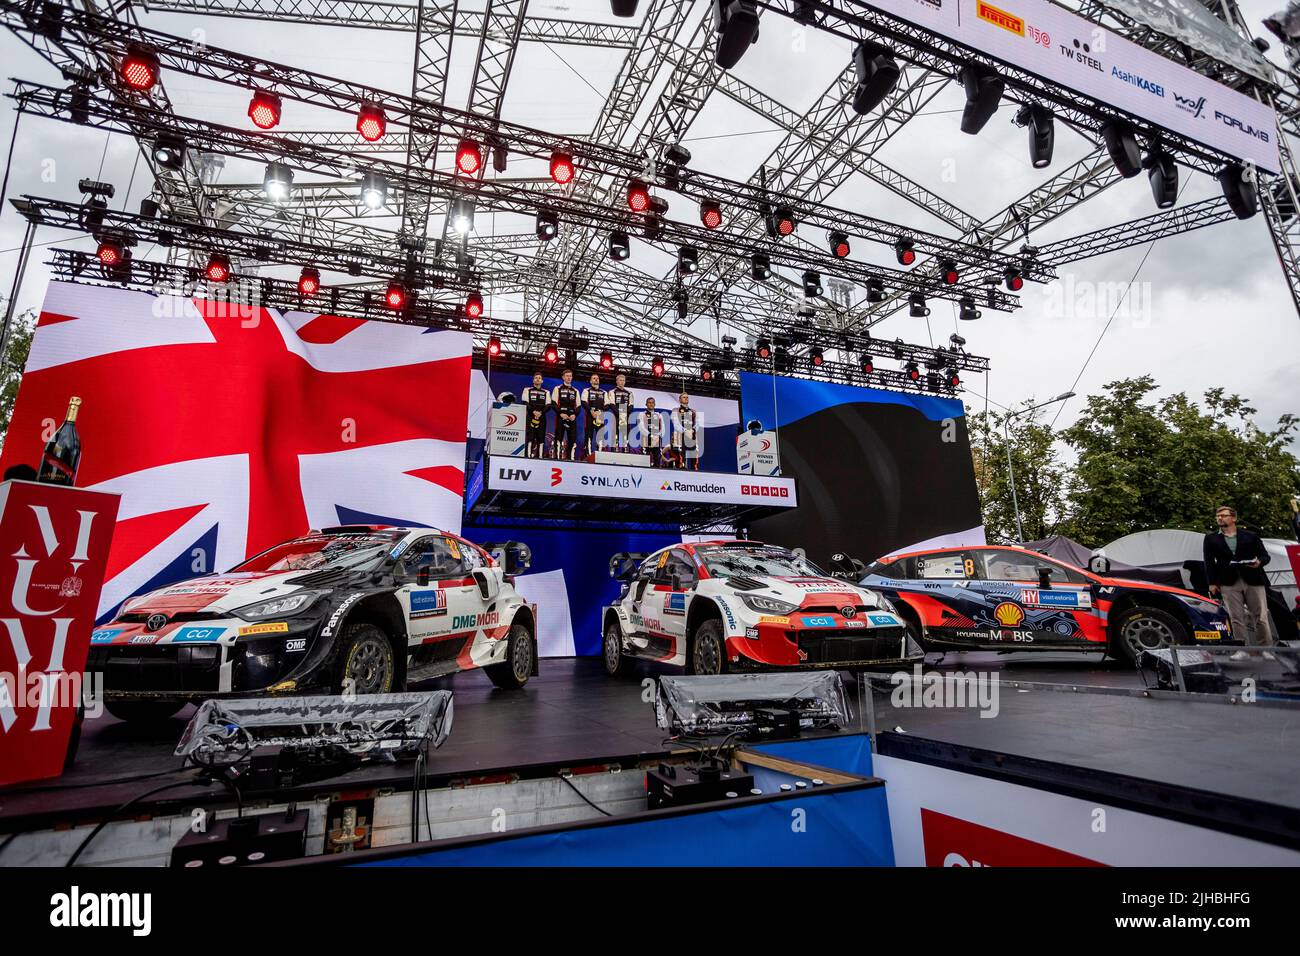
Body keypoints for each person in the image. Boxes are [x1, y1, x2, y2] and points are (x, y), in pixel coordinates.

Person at [1204, 506, 1275, 653]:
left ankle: (1267, 649)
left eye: (1223, 515)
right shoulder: (1210, 538)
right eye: (1218, 516)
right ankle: (1241, 651)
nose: (1220, 518)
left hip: (1253, 579)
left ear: (1234, 518)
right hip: (1228, 582)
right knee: (1236, 618)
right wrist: (1212, 582)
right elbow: (1209, 562)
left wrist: (1259, 562)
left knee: (1261, 617)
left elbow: (1265, 556)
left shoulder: (1251, 535)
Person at [551, 369, 580, 461]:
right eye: (567, 376)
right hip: (561, 416)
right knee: (559, 437)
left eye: (570, 376)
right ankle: (558, 458)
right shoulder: (557, 388)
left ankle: (571, 458)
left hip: (572, 417)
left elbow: (578, 405)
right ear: (563, 377)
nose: (569, 377)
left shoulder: (575, 391)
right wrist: (560, 413)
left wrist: (575, 415)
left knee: (572, 438)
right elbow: (554, 403)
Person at [670, 392, 700, 471]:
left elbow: (697, 423)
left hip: (691, 434)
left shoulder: (693, 411)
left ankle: (695, 469)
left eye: (687, 397)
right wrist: (685, 430)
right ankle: (682, 467)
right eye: (684, 397)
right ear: (680, 399)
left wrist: (692, 430)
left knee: (694, 452)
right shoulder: (675, 410)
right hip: (680, 434)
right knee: (681, 453)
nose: (686, 398)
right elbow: (676, 423)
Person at [523, 372, 550, 459]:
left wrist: (540, 413)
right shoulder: (527, 390)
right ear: (533, 380)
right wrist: (534, 412)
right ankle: (527, 456)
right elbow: (525, 402)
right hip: (530, 416)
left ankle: (540, 457)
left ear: (542, 381)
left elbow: (548, 405)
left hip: (542, 417)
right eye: (536, 378)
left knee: (541, 437)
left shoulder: (546, 392)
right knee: (530, 436)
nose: (537, 379)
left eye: (539, 378)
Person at [581, 373, 607, 458]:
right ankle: (588, 454)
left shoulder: (604, 392)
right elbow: (583, 402)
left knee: (600, 435)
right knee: (588, 435)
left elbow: (608, 404)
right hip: (589, 415)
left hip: (600, 416)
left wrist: (600, 412)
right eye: (594, 378)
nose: (596, 379)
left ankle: (600, 454)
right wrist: (591, 411)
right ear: (590, 381)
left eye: (597, 378)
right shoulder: (586, 390)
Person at [610, 373, 634, 452]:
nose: (622, 382)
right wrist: (619, 414)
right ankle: (615, 449)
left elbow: (631, 405)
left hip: (626, 416)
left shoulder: (629, 393)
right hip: (616, 415)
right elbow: (612, 404)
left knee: (626, 433)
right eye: (620, 380)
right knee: (615, 433)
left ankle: (625, 449)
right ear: (616, 381)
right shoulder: (612, 392)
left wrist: (625, 414)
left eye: (623, 380)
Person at [640, 397, 664, 466]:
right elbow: (641, 427)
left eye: (652, 403)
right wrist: (650, 435)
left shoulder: (659, 415)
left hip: (656, 440)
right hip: (646, 440)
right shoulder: (641, 414)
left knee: (657, 461)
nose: (651, 404)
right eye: (649, 403)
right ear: (646, 404)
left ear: (655, 404)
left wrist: (658, 436)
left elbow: (663, 428)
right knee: (644, 462)